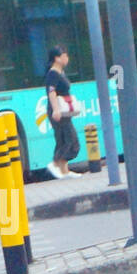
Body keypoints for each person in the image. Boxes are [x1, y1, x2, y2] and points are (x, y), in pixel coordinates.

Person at [45, 46, 82, 179]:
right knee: (70, 139)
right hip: (57, 111)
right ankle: (55, 164)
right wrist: (55, 109)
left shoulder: (61, 73)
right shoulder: (53, 73)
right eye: (64, 55)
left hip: (63, 112)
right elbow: (51, 92)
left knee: (65, 139)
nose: (67, 58)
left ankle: (64, 170)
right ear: (56, 58)